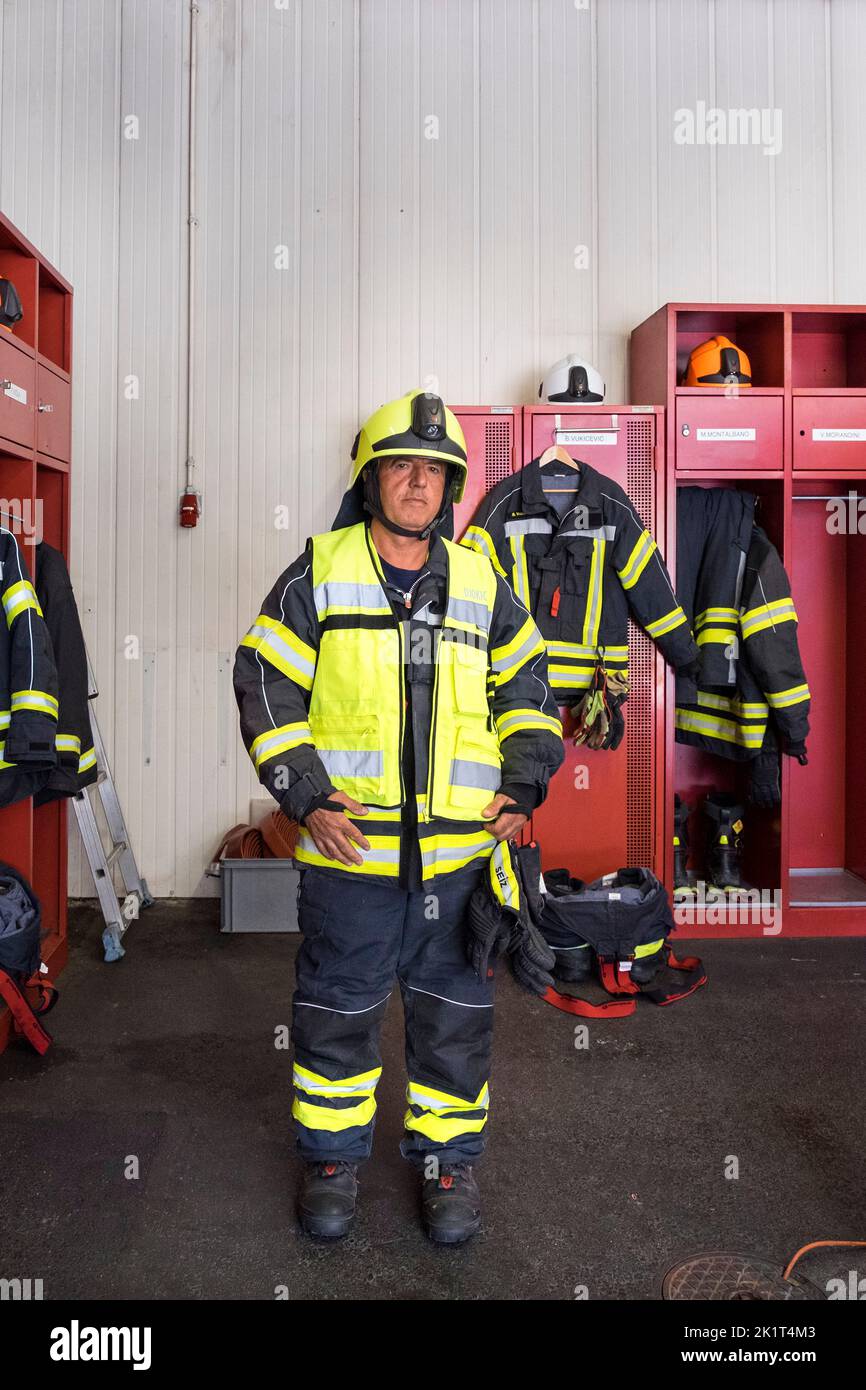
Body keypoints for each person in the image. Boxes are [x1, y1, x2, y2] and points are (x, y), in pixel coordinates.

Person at [233, 390, 564, 1244]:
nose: (418, 483)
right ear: (372, 476)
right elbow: (266, 684)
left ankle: (447, 1167)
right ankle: (333, 1161)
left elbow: (527, 687)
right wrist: (305, 795)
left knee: (453, 1020)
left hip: (456, 866)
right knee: (337, 1013)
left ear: (450, 486)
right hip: (354, 862)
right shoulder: (321, 570)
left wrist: (525, 781)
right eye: (402, 466)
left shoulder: (485, 582)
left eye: (434, 470)